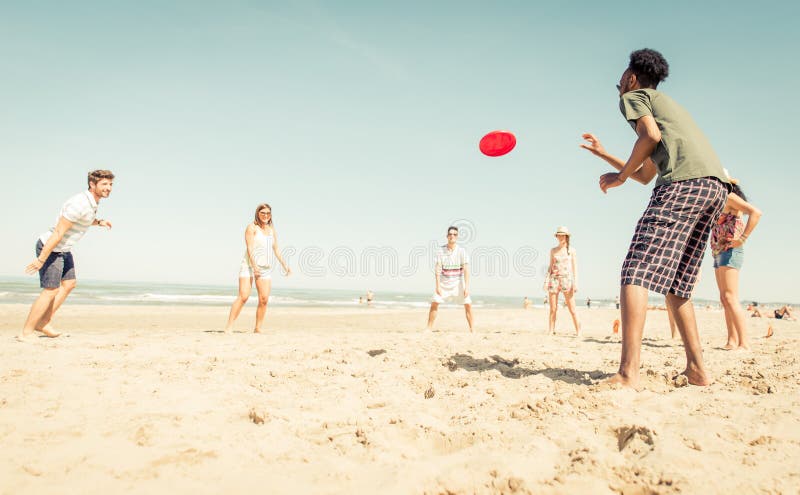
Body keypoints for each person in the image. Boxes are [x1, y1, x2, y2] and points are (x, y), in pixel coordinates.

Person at [580, 48, 730, 388]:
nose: (619, 84)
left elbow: (650, 136)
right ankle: (697, 370)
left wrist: (619, 178)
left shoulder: (633, 97)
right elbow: (646, 173)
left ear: (631, 78)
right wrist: (605, 156)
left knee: (635, 271)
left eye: (621, 78)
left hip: (683, 184)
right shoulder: (667, 106)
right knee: (677, 286)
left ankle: (627, 373)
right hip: (714, 188)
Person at [20, 170, 115, 340]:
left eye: (110, 184)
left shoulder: (91, 202)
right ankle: (26, 332)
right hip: (51, 247)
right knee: (50, 290)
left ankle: (43, 323)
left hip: (63, 249)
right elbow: (58, 232)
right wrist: (41, 259)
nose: (108, 188)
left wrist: (99, 222)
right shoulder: (80, 204)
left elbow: (84, 219)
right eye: (104, 184)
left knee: (69, 284)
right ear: (92, 184)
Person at [709, 173, 762, 350]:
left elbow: (756, 213)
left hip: (730, 251)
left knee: (730, 297)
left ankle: (744, 343)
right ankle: (731, 340)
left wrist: (742, 238)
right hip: (718, 252)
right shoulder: (718, 200)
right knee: (724, 298)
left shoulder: (730, 196)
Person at [224, 203, 291, 334]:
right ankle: (229, 326)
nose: (265, 215)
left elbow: (276, 249)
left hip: (265, 267)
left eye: (268, 213)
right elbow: (249, 248)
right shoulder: (252, 228)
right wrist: (254, 266)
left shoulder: (271, 230)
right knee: (244, 296)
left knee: (264, 299)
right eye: (263, 213)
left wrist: (285, 265)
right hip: (249, 265)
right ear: (257, 214)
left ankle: (257, 328)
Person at [425, 226, 473, 332]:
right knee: (434, 303)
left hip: (458, 282)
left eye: (455, 234)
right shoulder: (440, 250)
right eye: (450, 234)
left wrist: (466, 287)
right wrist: (437, 286)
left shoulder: (462, 251)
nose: (452, 236)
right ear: (447, 236)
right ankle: (428, 328)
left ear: (457, 236)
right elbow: (438, 268)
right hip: (444, 282)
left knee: (468, 304)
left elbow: (466, 269)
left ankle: (472, 329)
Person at [543, 226, 580, 335]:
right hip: (554, 280)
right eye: (559, 235)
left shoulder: (572, 251)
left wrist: (575, 283)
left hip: (567, 280)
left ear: (566, 236)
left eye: (562, 235)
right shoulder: (553, 250)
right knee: (553, 308)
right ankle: (551, 330)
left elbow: (575, 268)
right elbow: (550, 267)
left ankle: (579, 331)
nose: (560, 237)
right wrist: (546, 281)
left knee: (572, 309)